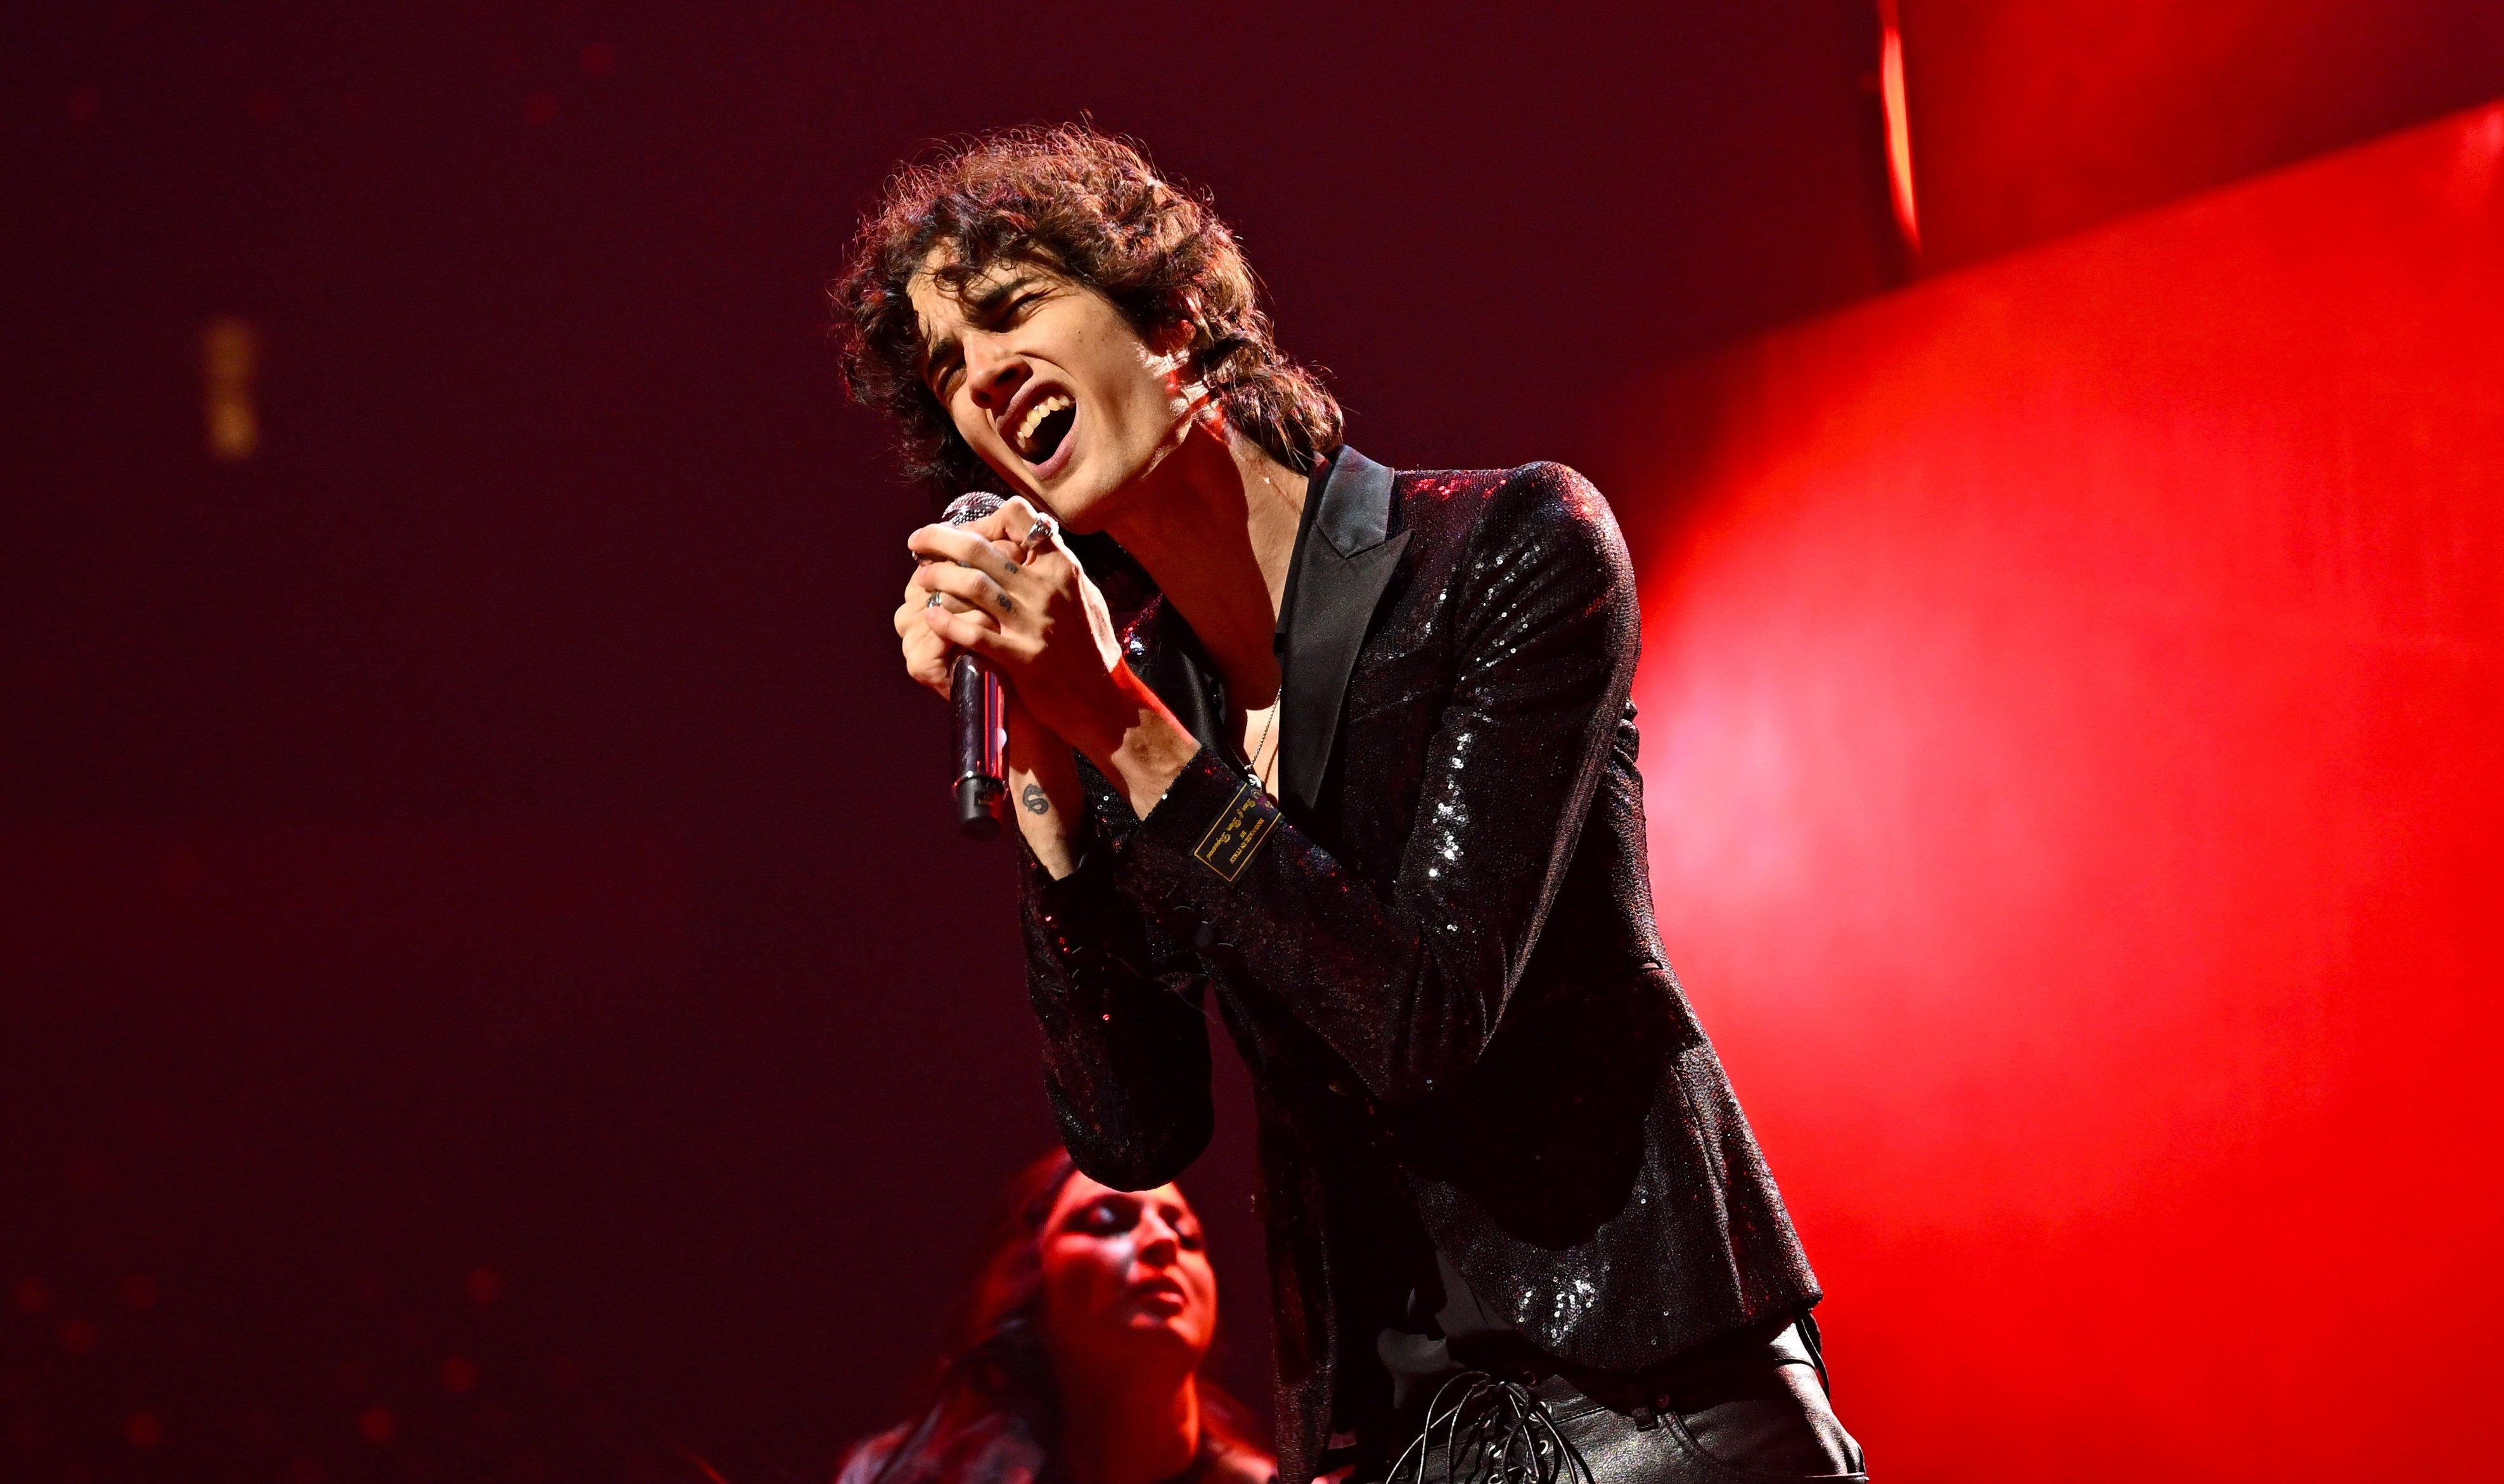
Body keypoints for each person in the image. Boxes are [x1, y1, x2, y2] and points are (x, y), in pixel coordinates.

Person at [836, 125, 1866, 1484]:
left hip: (1653, 1410)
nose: (982, 376)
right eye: (947, 371)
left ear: (1174, 316)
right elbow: (1135, 1134)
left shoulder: (1508, 551)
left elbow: (1425, 1012)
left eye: (1012, 309)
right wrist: (1050, 782)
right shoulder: (1142, 695)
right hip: (1390, 1441)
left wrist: (1123, 732)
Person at [836, 1149, 1272, 1484]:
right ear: (1029, 1282)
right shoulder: (902, 1475)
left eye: (1187, 1235)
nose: (1163, 1241)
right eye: (1106, 1221)